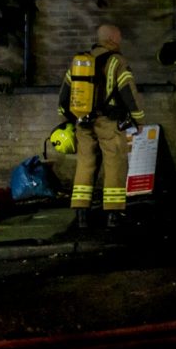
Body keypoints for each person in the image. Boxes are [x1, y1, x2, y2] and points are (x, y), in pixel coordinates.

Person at [57, 24, 146, 229]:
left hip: (83, 122)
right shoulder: (117, 62)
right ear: (112, 39)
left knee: (85, 164)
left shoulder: (79, 62)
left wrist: (67, 118)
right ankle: (113, 216)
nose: (121, 40)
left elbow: (64, 94)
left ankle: (81, 215)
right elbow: (129, 93)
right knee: (115, 164)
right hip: (109, 122)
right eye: (120, 36)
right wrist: (138, 119)